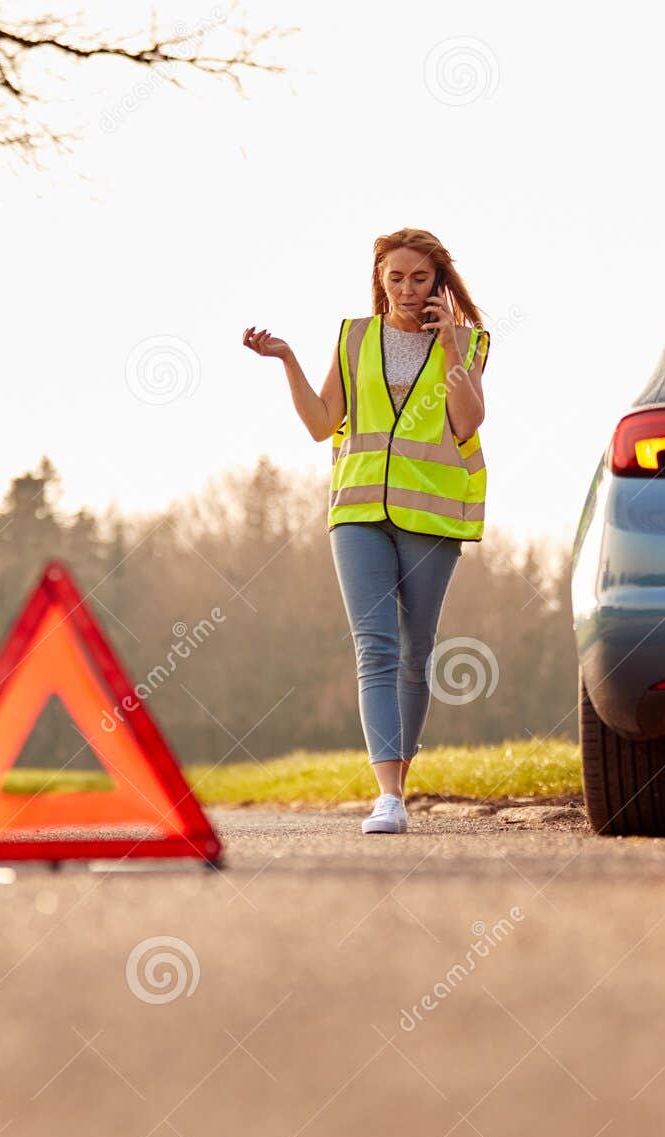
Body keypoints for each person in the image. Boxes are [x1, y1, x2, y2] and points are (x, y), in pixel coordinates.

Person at [242, 227, 490, 834]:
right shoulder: (354, 337)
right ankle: (388, 797)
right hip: (356, 511)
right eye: (396, 277)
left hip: (432, 514)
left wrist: (450, 346)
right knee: (374, 647)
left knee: (415, 652)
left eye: (420, 277)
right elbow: (323, 424)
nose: (407, 289)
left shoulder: (471, 340)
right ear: (380, 280)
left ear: (439, 282)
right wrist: (289, 361)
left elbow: (466, 422)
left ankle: (399, 786)